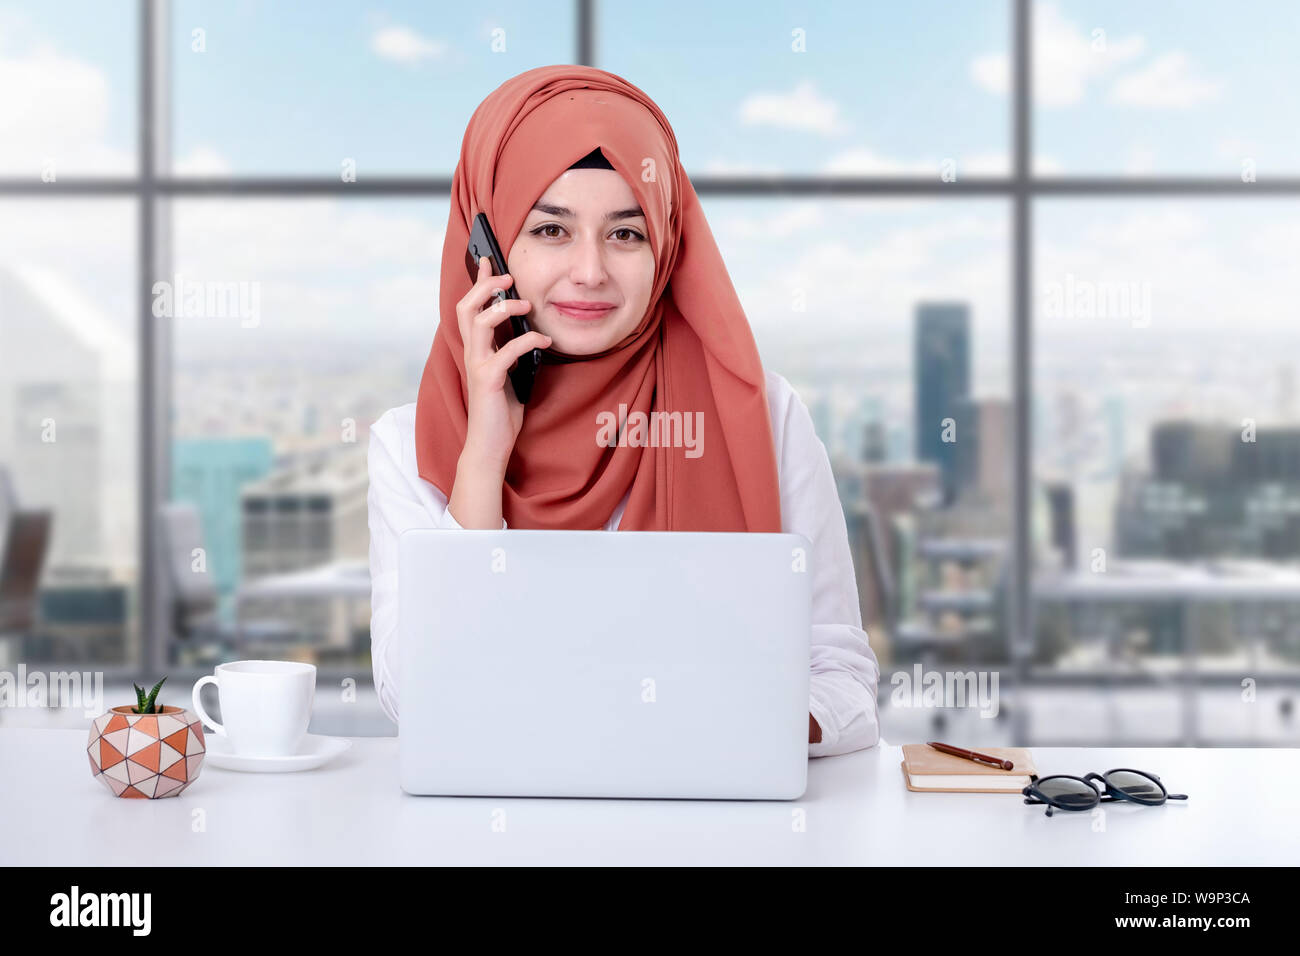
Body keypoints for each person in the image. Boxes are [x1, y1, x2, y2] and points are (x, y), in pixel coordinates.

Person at [367, 65, 879, 757]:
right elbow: (417, 698)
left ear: (667, 247)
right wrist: (483, 457)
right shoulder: (411, 445)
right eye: (550, 230)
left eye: (626, 234)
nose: (590, 271)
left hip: (712, 825)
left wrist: (720, 729)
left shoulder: (763, 416)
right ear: (486, 249)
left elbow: (841, 680)